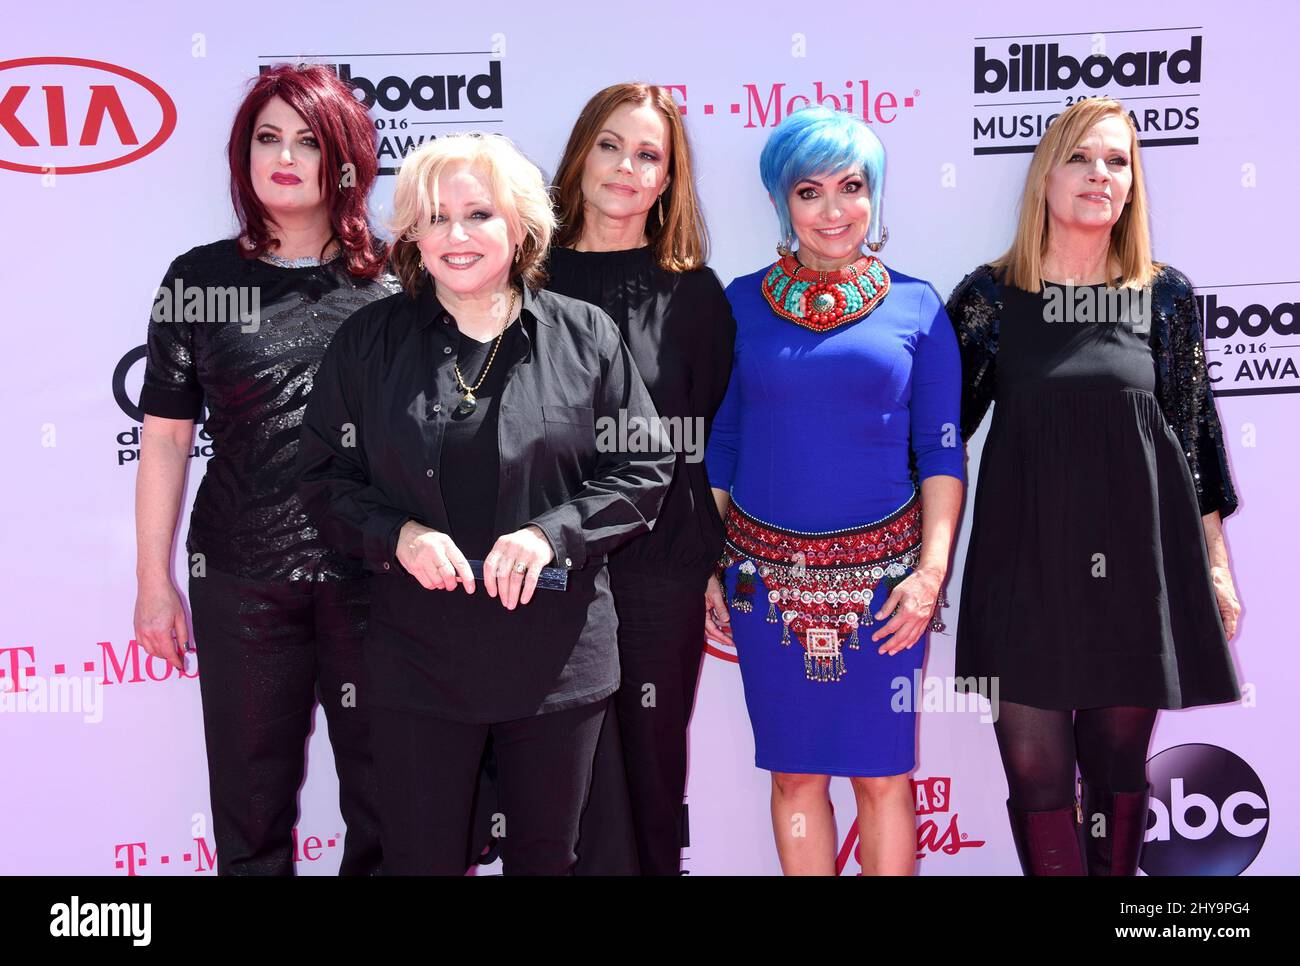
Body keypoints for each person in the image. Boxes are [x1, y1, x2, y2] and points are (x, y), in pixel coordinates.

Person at [296, 132, 675, 875]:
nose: (456, 236)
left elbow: (643, 465)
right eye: (436, 218)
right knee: (421, 861)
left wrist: (551, 536)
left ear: (522, 227)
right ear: (412, 233)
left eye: (478, 214)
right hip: (417, 659)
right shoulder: (369, 341)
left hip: (557, 659)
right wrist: (397, 533)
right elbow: (323, 480)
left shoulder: (585, 334)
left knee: (546, 859)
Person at [946, 97, 1242, 876]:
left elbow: (1196, 437)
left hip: (1136, 577)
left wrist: (1215, 564)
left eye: (1117, 161)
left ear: (1132, 185)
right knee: (1036, 776)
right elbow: (936, 438)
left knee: (1115, 769)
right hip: (1023, 573)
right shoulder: (989, 299)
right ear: (1046, 175)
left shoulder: (1165, 297)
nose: (1099, 175)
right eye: (1080, 157)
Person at [132, 64, 398, 875]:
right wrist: (153, 579)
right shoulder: (199, 279)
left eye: (310, 140)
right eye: (267, 138)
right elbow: (168, 439)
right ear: (242, 156)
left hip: (376, 577)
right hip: (242, 578)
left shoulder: (396, 281)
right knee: (249, 812)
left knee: (390, 807)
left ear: (346, 159)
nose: (285, 156)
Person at [704, 106, 965, 875]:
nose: (833, 210)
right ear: (783, 203)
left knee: (884, 778)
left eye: (851, 187)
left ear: (873, 196)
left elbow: (941, 455)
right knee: (794, 775)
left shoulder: (919, 306)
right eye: (810, 191)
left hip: (888, 591)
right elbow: (723, 443)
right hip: (762, 583)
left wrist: (929, 575)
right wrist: (709, 564)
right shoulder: (740, 304)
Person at [545, 82, 735, 875]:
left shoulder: (693, 293)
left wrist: (714, 558)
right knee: (559, 785)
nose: (626, 167)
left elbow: (717, 435)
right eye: (611, 145)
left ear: (667, 181)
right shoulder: (519, 279)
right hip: (549, 567)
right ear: (581, 152)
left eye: (648, 154)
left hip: (660, 570)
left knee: (651, 774)